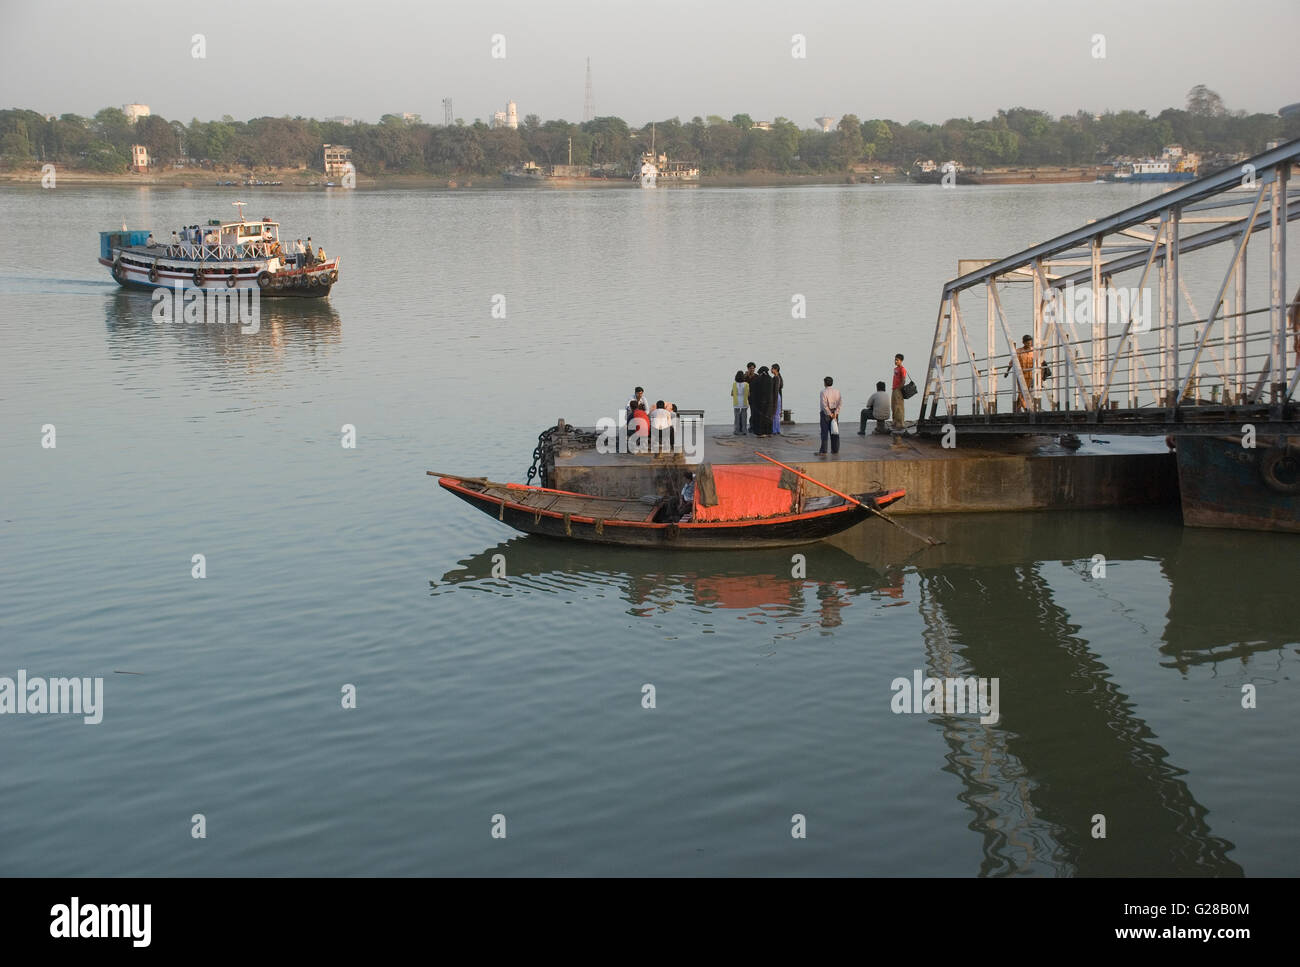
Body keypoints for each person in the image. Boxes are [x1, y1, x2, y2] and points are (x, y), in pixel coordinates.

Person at [1004, 335, 1035, 413]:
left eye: (1030, 342)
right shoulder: (1019, 351)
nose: (1029, 343)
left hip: (1030, 375)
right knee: (1022, 391)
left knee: (1027, 391)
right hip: (1021, 374)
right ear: (1023, 342)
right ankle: (1026, 408)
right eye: (1027, 342)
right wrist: (1007, 372)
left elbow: (1039, 362)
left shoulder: (1034, 351)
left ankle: (1017, 408)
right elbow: (1012, 362)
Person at [817, 376, 842, 455]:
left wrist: (829, 414)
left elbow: (824, 405)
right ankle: (835, 450)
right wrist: (835, 413)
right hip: (835, 413)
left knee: (824, 432)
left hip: (825, 414)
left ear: (825, 383)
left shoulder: (823, 392)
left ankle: (824, 450)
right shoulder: (837, 391)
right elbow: (840, 403)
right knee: (834, 431)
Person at [750, 366, 773, 437]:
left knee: (760, 417)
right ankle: (769, 432)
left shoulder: (757, 380)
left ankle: (760, 433)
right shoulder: (770, 379)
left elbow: (753, 391)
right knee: (768, 416)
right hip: (769, 402)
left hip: (759, 402)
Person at [891, 354, 909, 434]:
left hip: (898, 390)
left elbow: (903, 380)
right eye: (895, 360)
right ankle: (895, 421)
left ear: (901, 361)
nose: (895, 361)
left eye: (897, 360)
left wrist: (899, 388)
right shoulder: (896, 369)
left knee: (899, 407)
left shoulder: (902, 369)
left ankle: (900, 423)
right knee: (893, 406)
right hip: (894, 389)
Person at [731, 370, 749, 435]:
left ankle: (737, 430)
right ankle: (744, 430)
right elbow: (748, 394)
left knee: (737, 416)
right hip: (744, 402)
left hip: (736, 402)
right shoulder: (746, 384)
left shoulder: (734, 384)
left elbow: (732, 393)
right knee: (744, 416)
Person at [770, 363, 783, 435]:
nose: (771, 370)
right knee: (777, 414)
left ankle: (774, 430)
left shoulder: (776, 377)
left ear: (775, 369)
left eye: (772, 368)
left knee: (775, 413)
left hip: (776, 396)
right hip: (778, 396)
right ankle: (777, 429)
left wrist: (773, 399)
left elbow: (775, 389)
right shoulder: (779, 377)